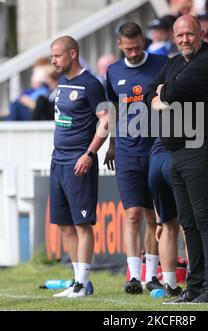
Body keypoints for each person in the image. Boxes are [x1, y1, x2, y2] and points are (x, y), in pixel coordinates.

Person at [144, 15, 208, 303]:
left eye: (190, 35)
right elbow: (149, 94)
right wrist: (159, 96)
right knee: (189, 222)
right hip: (179, 150)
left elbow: (172, 91)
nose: (185, 40)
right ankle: (195, 287)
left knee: (206, 219)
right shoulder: (173, 63)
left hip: (204, 146)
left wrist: (163, 95)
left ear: (202, 33)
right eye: (179, 35)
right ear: (173, 36)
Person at [105, 23, 168, 294]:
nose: (133, 52)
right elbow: (113, 108)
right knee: (132, 214)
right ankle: (133, 275)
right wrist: (111, 143)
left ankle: (152, 275)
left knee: (153, 215)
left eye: (137, 46)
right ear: (119, 45)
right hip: (127, 152)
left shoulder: (162, 63)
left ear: (144, 40)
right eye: (128, 48)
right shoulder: (113, 71)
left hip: (155, 148)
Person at [49, 36, 109, 298]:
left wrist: (90, 153)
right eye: (52, 57)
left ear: (73, 54)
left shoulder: (91, 84)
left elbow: (107, 120)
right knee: (63, 224)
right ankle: (78, 282)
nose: (53, 61)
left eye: (57, 56)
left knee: (82, 224)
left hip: (78, 160)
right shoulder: (62, 81)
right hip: (57, 160)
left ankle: (82, 284)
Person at [148, 138, 182, 297]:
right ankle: (199, 282)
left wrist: (158, 221)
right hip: (176, 158)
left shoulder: (163, 118)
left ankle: (170, 284)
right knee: (189, 226)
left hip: (155, 162)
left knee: (167, 226)